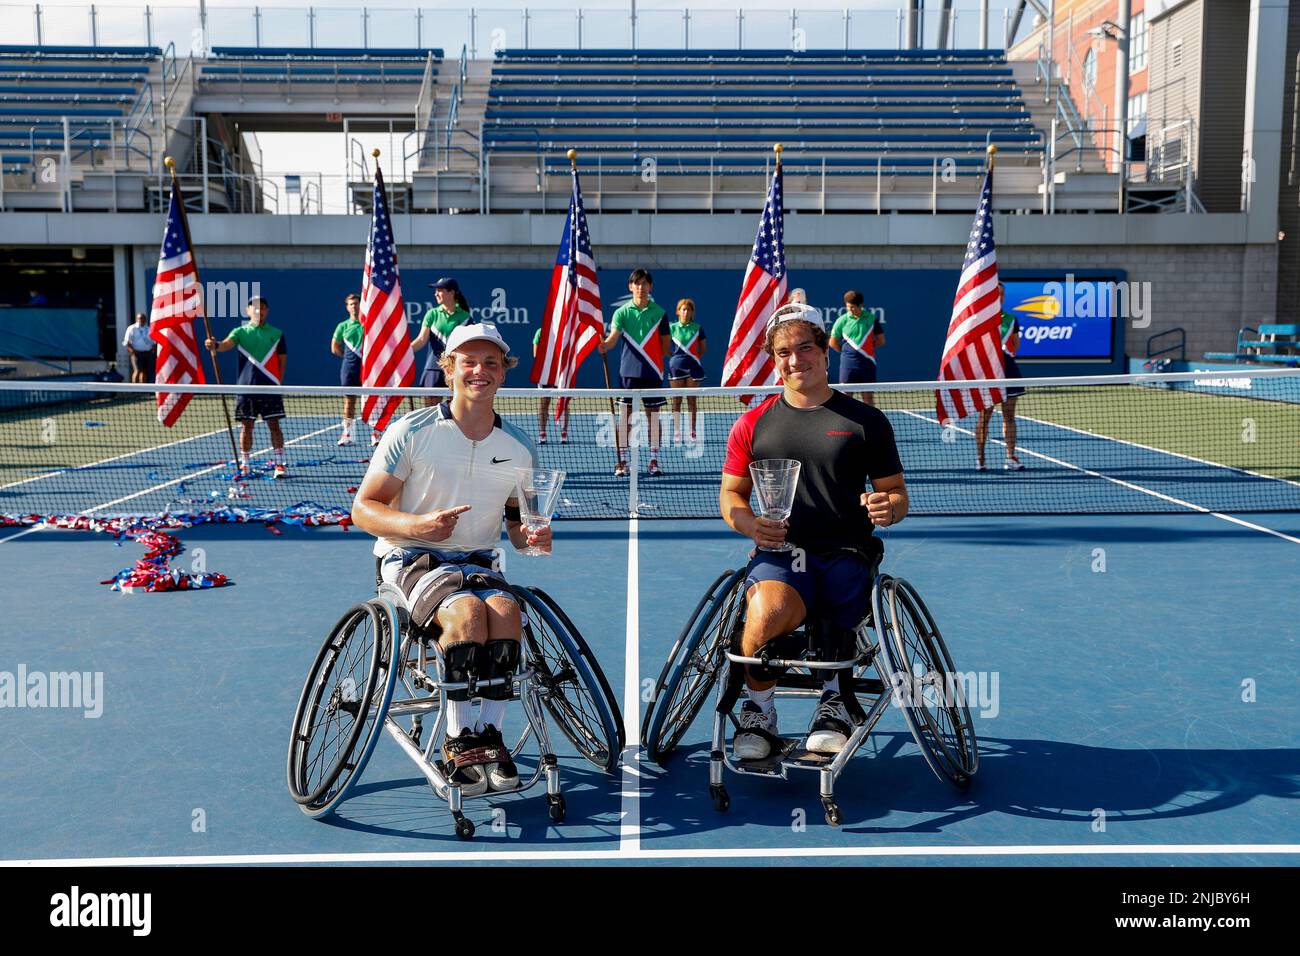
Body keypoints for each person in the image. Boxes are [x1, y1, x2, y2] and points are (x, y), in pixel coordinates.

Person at [352, 322, 549, 795]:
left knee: (506, 611)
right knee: (466, 614)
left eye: (491, 363)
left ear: (503, 373)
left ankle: (490, 736)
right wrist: (418, 526)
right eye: (468, 361)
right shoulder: (411, 431)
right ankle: (460, 740)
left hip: (478, 561)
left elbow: (520, 530)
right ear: (449, 370)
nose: (479, 371)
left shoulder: (520, 446)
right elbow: (364, 509)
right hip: (410, 557)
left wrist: (534, 536)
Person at [720, 302, 908, 760]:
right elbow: (731, 497)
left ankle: (835, 702)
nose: (795, 359)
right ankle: (759, 710)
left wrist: (888, 507)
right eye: (783, 351)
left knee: (838, 603)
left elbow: (897, 494)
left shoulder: (866, 422)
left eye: (805, 348)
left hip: (848, 550)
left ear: (825, 353)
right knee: (766, 612)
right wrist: (750, 525)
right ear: (774, 359)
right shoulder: (753, 423)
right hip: (782, 553)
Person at [598, 268, 671, 478]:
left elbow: (666, 348)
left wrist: (667, 348)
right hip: (628, 374)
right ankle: (622, 461)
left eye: (644, 283)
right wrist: (604, 345)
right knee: (625, 420)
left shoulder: (660, 313)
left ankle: (654, 461)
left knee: (653, 418)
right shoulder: (622, 313)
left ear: (650, 286)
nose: (641, 287)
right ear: (631, 287)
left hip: (653, 373)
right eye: (637, 283)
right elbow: (612, 339)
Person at [205, 296, 288, 478]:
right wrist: (215, 345)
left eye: (263, 308)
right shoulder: (240, 332)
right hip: (246, 389)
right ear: (248, 311)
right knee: (246, 427)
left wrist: (276, 383)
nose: (259, 311)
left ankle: (280, 464)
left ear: (267, 311)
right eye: (255, 308)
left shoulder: (277, 333)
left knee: (274, 426)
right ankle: (245, 464)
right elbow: (226, 344)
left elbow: (282, 360)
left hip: (270, 389)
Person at [975, 282, 1027, 471]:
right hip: (988, 373)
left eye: (1002, 294)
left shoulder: (1011, 319)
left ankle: (1010, 457)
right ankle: (980, 459)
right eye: (997, 294)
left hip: (1009, 372)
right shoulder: (979, 319)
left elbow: (1015, 344)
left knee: (1009, 415)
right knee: (985, 416)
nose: (1000, 297)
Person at [410, 277, 472, 407]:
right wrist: (403, 352)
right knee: (429, 411)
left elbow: (469, 345)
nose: (436, 294)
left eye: (439, 290)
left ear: (451, 293)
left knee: (456, 411)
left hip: (455, 369)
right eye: (435, 291)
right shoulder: (432, 314)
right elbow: (421, 340)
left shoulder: (465, 317)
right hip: (433, 368)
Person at [331, 292, 376, 447]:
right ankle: (348, 434)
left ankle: (375, 433)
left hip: (368, 369)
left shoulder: (369, 323)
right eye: (351, 304)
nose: (354, 306)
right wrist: (348, 357)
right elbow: (334, 347)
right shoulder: (342, 326)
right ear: (347, 307)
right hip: (349, 369)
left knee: (372, 400)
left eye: (356, 303)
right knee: (349, 401)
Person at [828, 290, 886, 404]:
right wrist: (846, 352)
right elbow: (832, 342)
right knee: (846, 397)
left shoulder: (872, 319)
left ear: (860, 305)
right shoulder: (842, 320)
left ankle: (869, 422)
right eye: (848, 307)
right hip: (848, 365)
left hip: (868, 364)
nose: (850, 310)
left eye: (852, 307)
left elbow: (881, 340)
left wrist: (867, 348)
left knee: (868, 398)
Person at [666, 298, 706, 444]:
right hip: (675, 369)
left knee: (691, 400)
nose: (685, 312)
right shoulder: (672, 328)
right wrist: (675, 359)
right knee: (676, 401)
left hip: (693, 368)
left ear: (692, 312)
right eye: (683, 309)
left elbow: (703, 348)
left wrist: (693, 359)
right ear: (678, 311)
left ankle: (692, 431)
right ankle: (677, 431)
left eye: (688, 309)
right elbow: (665, 347)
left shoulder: (698, 328)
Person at [533, 327, 569, 444]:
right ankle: (542, 434)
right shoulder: (540, 332)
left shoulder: (564, 331)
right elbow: (536, 355)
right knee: (544, 403)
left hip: (560, 374)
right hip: (546, 374)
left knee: (563, 402)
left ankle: (564, 433)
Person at [122, 311, 155, 384]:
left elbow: (153, 342)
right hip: (137, 353)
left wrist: (152, 350)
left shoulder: (148, 329)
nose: (141, 320)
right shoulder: (132, 328)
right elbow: (127, 342)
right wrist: (133, 351)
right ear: (137, 319)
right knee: (137, 370)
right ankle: (134, 389)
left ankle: (143, 388)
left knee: (144, 371)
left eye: (143, 319)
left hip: (147, 353)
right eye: (140, 318)